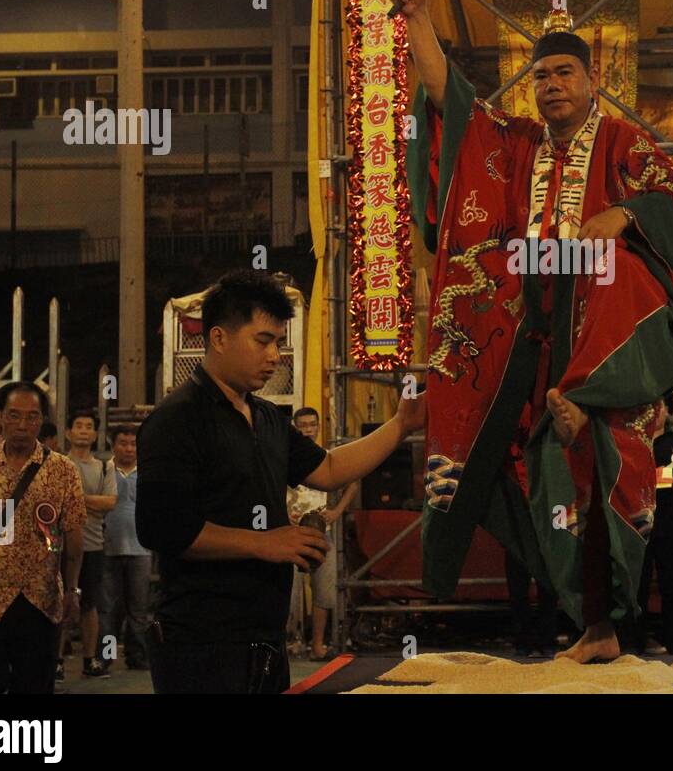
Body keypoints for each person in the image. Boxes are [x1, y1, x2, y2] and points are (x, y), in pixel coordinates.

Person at [395, 0, 673, 664]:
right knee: (527, 475)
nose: (552, 86)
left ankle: (609, 622)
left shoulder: (626, 144)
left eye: (565, 72)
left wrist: (623, 213)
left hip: (600, 336)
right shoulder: (518, 145)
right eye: (541, 77)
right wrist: (419, 23)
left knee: (603, 470)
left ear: (592, 82)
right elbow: (455, 108)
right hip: (532, 343)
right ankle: (572, 629)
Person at [136, 270, 425, 693]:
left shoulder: (268, 418)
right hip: (201, 642)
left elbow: (327, 469)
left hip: (265, 640)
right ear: (218, 338)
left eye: (278, 341)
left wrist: (401, 425)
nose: (275, 355)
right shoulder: (176, 420)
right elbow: (162, 528)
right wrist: (265, 542)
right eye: (263, 340)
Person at [0, 381, 86, 694]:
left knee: (35, 688)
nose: (22, 425)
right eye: (14, 415)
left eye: (32, 417)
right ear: (2, 417)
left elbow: (72, 536)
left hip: (40, 601)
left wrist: (71, 589)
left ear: (41, 420)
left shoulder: (63, 469)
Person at [285, 406, 354, 661]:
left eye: (311, 424)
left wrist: (336, 512)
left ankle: (317, 645)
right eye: (302, 425)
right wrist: (281, 514)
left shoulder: (325, 456)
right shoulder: (285, 456)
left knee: (324, 591)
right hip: (290, 533)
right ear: (295, 427)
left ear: (318, 426)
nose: (307, 429)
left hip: (321, 533)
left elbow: (352, 481)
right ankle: (288, 643)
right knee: (287, 593)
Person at [633, 396, 673, 655]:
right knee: (639, 584)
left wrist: (671, 480)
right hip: (639, 523)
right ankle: (636, 640)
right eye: (650, 408)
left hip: (670, 522)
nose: (655, 412)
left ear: (667, 411)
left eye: (659, 407)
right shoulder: (635, 440)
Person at [57, 410, 116, 680]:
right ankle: (55, 660)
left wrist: (77, 499)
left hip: (93, 544)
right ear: (68, 432)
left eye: (88, 426)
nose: (83, 430)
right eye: (77, 425)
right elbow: (55, 503)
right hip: (59, 545)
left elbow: (110, 503)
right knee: (59, 601)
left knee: (90, 604)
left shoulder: (104, 466)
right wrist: (91, 501)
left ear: (95, 434)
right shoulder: (57, 463)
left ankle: (89, 659)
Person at [102, 425, 151, 671]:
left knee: (139, 609)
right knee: (110, 609)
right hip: (108, 549)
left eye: (133, 444)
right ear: (114, 445)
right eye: (123, 443)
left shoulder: (148, 473)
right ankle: (106, 657)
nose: (129, 448)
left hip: (141, 550)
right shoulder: (105, 470)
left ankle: (137, 657)